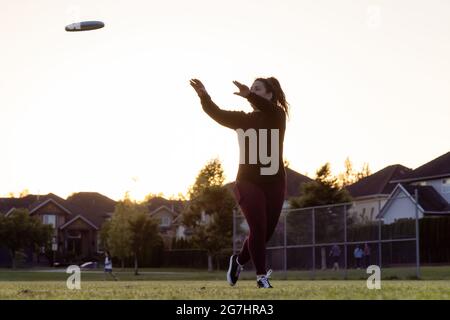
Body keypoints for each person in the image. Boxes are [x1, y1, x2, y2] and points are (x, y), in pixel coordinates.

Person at [190, 77, 289, 288]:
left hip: (274, 182)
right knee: (258, 228)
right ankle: (262, 277)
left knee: (264, 234)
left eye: (257, 89)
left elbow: (267, 108)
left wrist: (248, 95)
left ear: (270, 94)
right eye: (251, 89)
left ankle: (238, 261)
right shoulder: (243, 120)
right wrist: (204, 96)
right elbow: (216, 113)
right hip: (248, 181)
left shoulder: (277, 116)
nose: (251, 91)